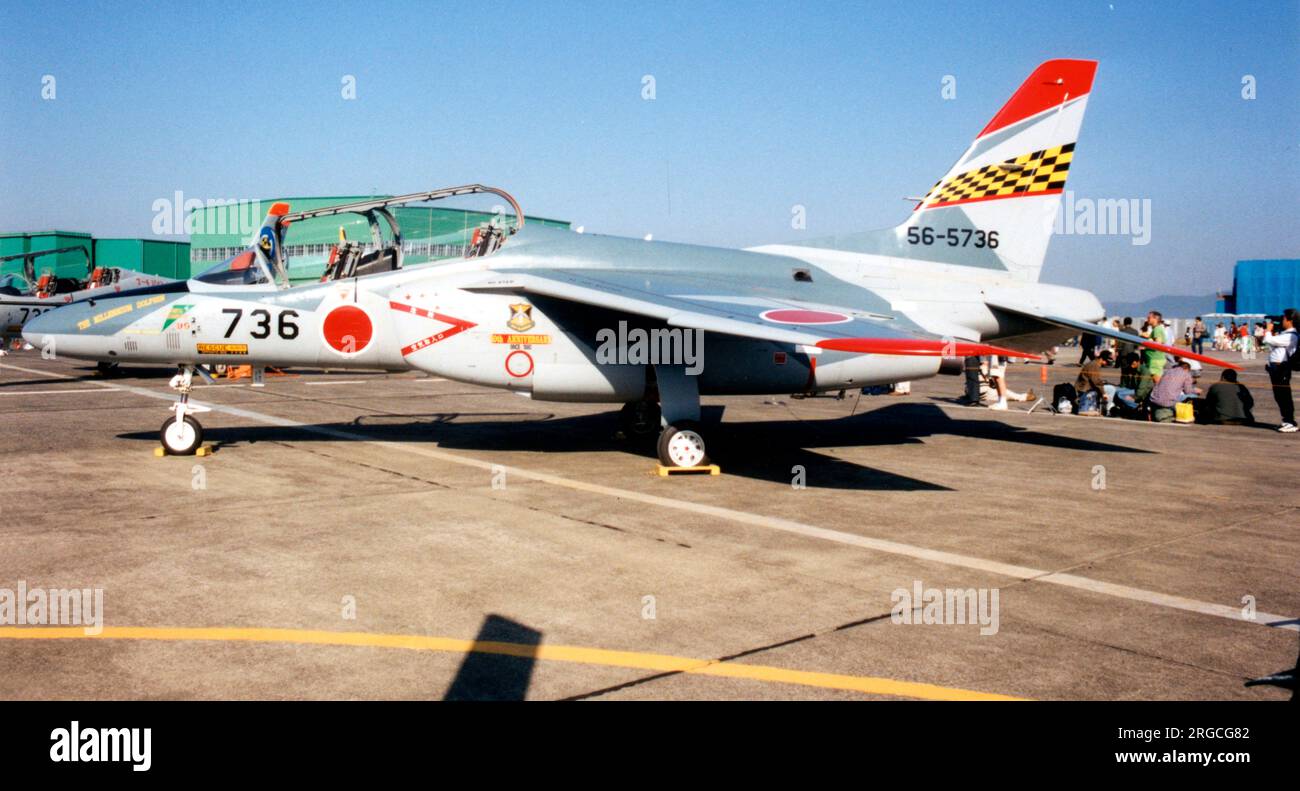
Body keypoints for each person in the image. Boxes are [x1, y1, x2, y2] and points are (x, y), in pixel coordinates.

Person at [1262, 309, 1298, 432]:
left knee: (1284, 395)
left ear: (1290, 320)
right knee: (1279, 395)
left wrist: (1268, 330)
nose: (1281, 321)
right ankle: (1286, 420)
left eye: (1283, 319)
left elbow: (1269, 340)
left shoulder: (1291, 335)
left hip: (1282, 368)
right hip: (1276, 368)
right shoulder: (1284, 334)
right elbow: (1269, 343)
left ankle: (1290, 421)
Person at [1137, 310, 1167, 402]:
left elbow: (1157, 343)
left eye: (1149, 317)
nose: (1147, 319)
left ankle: (1163, 399)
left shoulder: (1157, 329)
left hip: (1155, 360)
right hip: (1155, 359)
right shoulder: (1157, 329)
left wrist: (1146, 344)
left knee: (1158, 382)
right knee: (1155, 382)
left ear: (1155, 318)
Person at [1074, 349, 1113, 415]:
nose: (1106, 363)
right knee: (1111, 389)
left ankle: (1104, 408)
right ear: (1101, 359)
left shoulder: (1094, 363)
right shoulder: (1094, 365)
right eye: (1106, 361)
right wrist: (1103, 393)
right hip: (1085, 389)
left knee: (1108, 387)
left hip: (1085, 387)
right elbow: (1096, 382)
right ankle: (1107, 409)